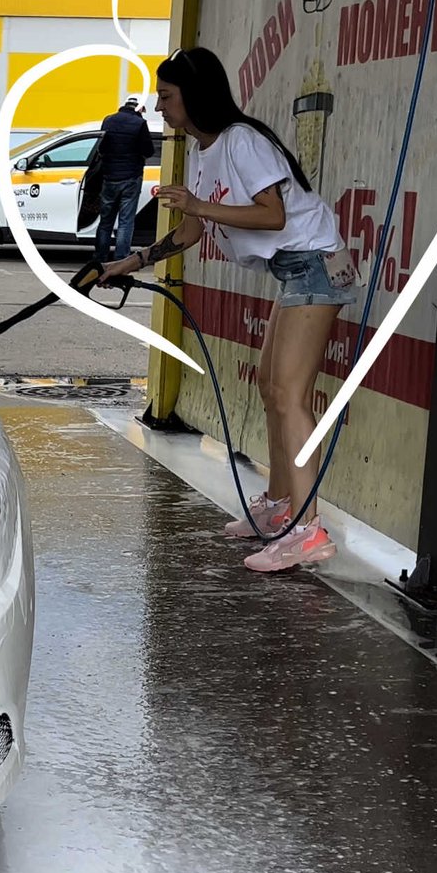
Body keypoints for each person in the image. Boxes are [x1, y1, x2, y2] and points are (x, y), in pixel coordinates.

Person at [99, 47, 359, 573]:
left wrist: (197, 206)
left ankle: (308, 531)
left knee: (289, 395)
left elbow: (272, 214)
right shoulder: (204, 149)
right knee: (272, 389)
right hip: (295, 270)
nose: (160, 106)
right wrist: (138, 259)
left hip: (313, 263)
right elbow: (193, 229)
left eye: (168, 96)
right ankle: (281, 507)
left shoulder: (243, 140)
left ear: (194, 96)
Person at [89, 96, 154, 261]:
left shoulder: (109, 120)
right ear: (139, 108)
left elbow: (101, 147)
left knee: (105, 221)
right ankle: (121, 259)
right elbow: (148, 151)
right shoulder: (139, 124)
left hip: (109, 177)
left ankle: (100, 257)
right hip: (131, 178)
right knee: (126, 221)